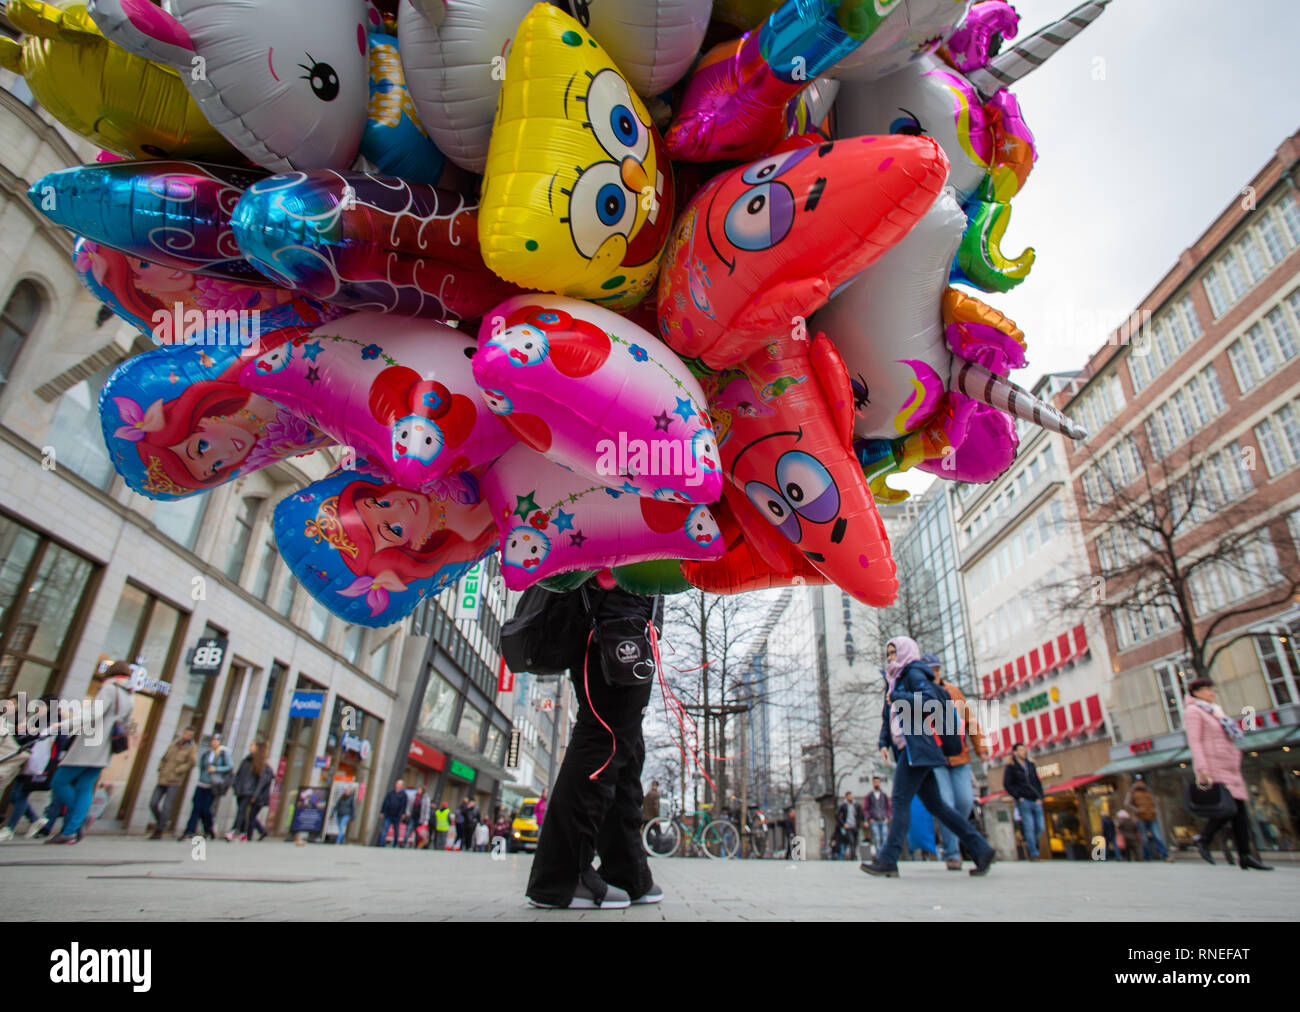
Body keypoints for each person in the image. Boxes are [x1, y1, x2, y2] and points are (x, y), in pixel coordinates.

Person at [525, 587, 663, 910]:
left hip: (617, 618)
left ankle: (627, 872)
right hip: (615, 620)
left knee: (624, 746)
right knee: (605, 739)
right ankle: (560, 877)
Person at [861, 637, 996, 878]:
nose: (890, 657)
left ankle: (888, 859)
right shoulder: (894, 678)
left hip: (919, 747)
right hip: (909, 748)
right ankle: (981, 848)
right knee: (939, 806)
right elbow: (888, 715)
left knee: (900, 800)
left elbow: (930, 701)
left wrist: (901, 698)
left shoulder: (913, 672)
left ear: (906, 652)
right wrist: (883, 742)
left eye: (893, 652)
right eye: (888, 653)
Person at [1184, 678, 1272, 871]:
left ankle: (1245, 855)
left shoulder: (1216, 711)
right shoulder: (1193, 712)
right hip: (1213, 764)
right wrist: (1202, 768)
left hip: (1229, 764)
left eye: (1212, 689)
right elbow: (1195, 741)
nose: (1212, 693)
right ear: (1196, 692)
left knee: (1240, 812)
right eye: (1207, 689)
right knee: (1228, 808)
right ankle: (1204, 838)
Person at [43, 665, 135, 845]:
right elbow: (125, 723)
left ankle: (79, 818)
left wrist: (63, 724)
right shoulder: (129, 696)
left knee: (59, 781)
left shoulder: (109, 689)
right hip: (105, 748)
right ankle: (71, 830)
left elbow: (93, 715)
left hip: (89, 744)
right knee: (85, 787)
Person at [921, 652, 988, 871]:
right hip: (937, 759)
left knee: (965, 801)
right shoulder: (921, 694)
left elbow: (970, 721)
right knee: (946, 804)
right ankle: (952, 852)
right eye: (930, 669)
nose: (934, 673)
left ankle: (965, 844)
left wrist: (981, 748)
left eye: (937, 669)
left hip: (960, 757)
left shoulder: (953, 692)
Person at [0, 697, 66, 841]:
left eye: (40, 706)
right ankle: (35, 820)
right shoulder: (37, 721)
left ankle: (9, 829)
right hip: (26, 761)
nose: (37, 708)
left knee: (21, 794)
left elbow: (60, 744)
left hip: (38, 764)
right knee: (15, 795)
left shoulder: (54, 724)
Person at [179, 733, 232, 841]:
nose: (214, 742)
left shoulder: (223, 753)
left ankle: (209, 828)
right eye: (213, 740)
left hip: (212, 785)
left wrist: (216, 769)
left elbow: (230, 767)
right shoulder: (207, 753)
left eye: (216, 740)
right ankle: (189, 831)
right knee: (196, 807)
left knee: (205, 809)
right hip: (201, 783)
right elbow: (201, 766)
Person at [148, 726, 196, 839]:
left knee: (167, 806)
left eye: (189, 735)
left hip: (175, 780)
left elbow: (192, 762)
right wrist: (161, 768)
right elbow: (164, 758)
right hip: (163, 778)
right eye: (186, 733)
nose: (186, 736)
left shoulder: (191, 747)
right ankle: (163, 822)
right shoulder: (175, 743)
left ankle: (159, 830)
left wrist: (178, 770)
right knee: (153, 803)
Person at [1002, 742, 1045, 860]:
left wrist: (1040, 797)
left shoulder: (1031, 764)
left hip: (1036, 799)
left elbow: (1037, 781)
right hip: (1024, 800)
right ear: (1015, 753)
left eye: (1024, 749)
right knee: (1029, 826)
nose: (1024, 751)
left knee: (1040, 826)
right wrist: (1018, 797)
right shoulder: (1011, 767)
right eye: (1021, 750)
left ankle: (1030, 843)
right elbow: (1007, 784)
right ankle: (1034, 853)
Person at [227, 740, 271, 842]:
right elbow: (238, 775)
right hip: (241, 790)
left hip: (249, 792)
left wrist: (255, 794)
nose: (250, 747)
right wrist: (235, 785)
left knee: (241, 811)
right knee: (244, 813)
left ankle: (233, 831)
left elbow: (262, 782)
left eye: (252, 745)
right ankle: (244, 833)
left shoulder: (261, 763)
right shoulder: (246, 760)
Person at [1125, 774, 1173, 863]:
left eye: (1141, 780)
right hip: (1141, 817)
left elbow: (1153, 801)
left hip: (1151, 816)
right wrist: (1137, 810)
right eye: (1138, 781)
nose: (1140, 782)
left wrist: (1154, 809)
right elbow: (1127, 803)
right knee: (1144, 838)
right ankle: (1147, 857)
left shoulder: (1148, 790)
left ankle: (1165, 855)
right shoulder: (1132, 791)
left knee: (1158, 836)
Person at [865, 776, 890, 856]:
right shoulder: (869, 796)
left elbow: (888, 807)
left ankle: (884, 855)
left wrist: (887, 817)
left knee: (884, 838)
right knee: (877, 838)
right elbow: (866, 808)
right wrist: (869, 818)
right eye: (875, 782)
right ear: (873, 783)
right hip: (874, 820)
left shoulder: (884, 795)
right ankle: (879, 856)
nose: (876, 783)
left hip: (883, 819)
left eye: (878, 782)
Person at [835, 791, 863, 861]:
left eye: (852, 796)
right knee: (851, 841)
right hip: (848, 827)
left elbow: (861, 814)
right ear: (846, 797)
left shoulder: (856, 804)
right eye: (850, 796)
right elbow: (837, 815)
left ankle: (854, 855)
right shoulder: (843, 805)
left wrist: (864, 821)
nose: (851, 797)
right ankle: (852, 857)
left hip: (855, 827)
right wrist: (843, 824)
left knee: (855, 842)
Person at [379, 779, 407, 846]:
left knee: (396, 830)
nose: (397, 785)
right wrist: (382, 812)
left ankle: (394, 844)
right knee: (385, 828)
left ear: (402, 786)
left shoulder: (403, 795)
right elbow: (385, 802)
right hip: (388, 814)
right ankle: (381, 843)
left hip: (397, 815)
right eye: (397, 784)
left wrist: (403, 813)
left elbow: (404, 805)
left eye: (399, 784)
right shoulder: (391, 793)